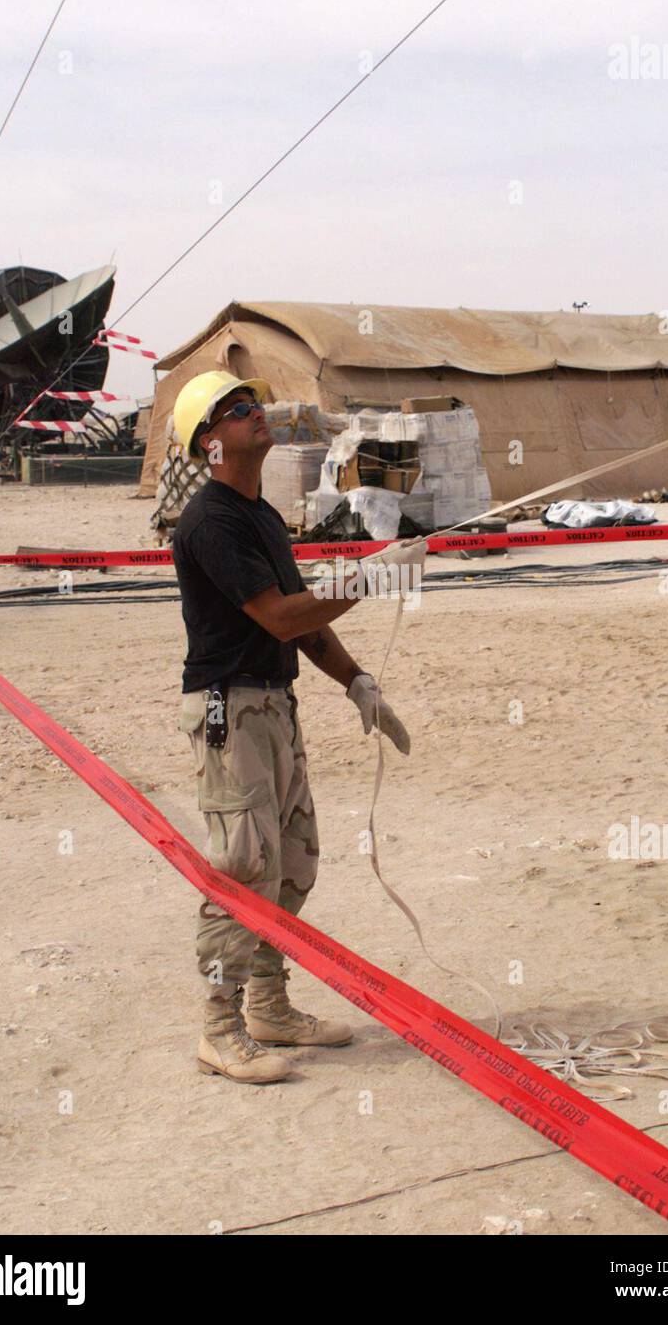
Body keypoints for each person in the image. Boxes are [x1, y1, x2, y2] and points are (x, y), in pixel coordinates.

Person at [171, 370, 426, 1084]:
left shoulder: (260, 517)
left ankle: (268, 1005)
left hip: (272, 703)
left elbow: (303, 625)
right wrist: (370, 581)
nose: (256, 413)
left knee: (294, 860)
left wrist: (357, 683)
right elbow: (282, 617)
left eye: (253, 403)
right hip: (229, 707)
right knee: (244, 865)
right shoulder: (212, 521)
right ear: (209, 442)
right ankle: (218, 1027)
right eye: (236, 409)